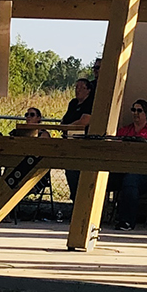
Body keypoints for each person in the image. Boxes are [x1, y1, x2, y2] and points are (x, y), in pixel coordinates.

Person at [111, 99, 147, 231]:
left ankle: (127, 221)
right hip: (124, 171)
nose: (135, 113)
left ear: (146, 114)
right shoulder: (124, 130)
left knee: (131, 180)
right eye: (133, 110)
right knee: (99, 175)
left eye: (139, 110)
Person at [59, 78, 95, 207]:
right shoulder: (73, 103)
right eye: (76, 87)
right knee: (70, 171)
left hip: (82, 142)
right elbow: (64, 119)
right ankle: (75, 201)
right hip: (69, 142)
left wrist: (67, 128)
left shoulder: (90, 103)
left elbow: (84, 121)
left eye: (81, 88)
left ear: (88, 90)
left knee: (78, 173)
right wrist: (63, 127)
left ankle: (82, 204)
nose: (78, 90)